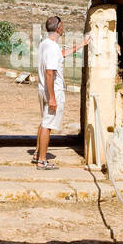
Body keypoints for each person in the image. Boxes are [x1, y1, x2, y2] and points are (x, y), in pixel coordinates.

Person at [34, 15, 87, 169]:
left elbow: (60, 54)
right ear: (59, 27)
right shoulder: (51, 47)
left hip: (43, 88)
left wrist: (80, 45)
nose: (63, 28)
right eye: (62, 26)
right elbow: (50, 72)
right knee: (47, 125)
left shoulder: (46, 44)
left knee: (44, 121)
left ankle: (38, 154)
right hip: (53, 90)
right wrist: (52, 98)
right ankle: (42, 161)